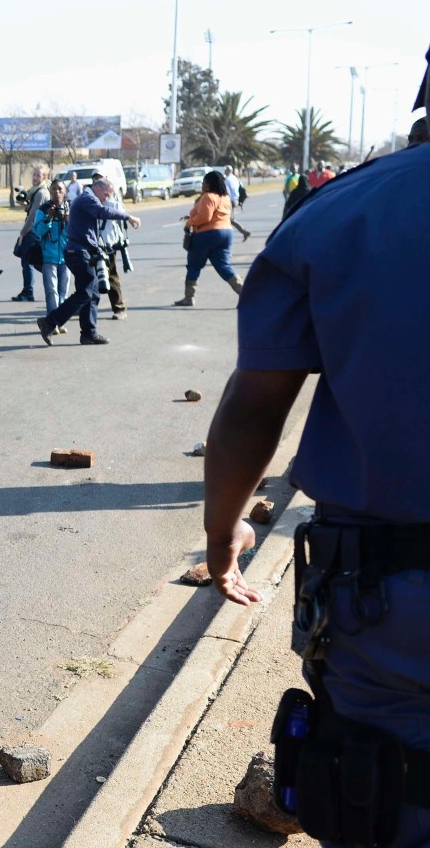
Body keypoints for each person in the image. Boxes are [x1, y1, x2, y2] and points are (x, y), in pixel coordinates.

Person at [202, 109, 430, 847]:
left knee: (389, 794)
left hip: (388, 601)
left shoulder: (342, 212)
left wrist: (222, 531)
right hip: (383, 593)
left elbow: (254, 405)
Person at [37, 175, 141, 346]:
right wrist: (128, 217)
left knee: (92, 293)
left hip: (83, 251)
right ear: (98, 188)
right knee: (86, 292)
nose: (107, 199)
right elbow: (103, 212)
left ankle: (88, 333)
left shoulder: (90, 199)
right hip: (77, 252)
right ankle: (49, 322)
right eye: (106, 195)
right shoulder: (87, 198)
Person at [173, 171, 241, 306]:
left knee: (194, 265)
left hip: (207, 234)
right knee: (223, 266)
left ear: (209, 184)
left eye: (204, 182)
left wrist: (189, 223)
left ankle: (189, 297)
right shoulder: (225, 197)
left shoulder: (208, 196)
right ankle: (245, 292)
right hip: (226, 233)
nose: (202, 185)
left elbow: (205, 217)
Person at [92, 173, 130, 321]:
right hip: (92, 242)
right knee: (88, 277)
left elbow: (116, 215)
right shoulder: (89, 197)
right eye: (95, 180)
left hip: (107, 243)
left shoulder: (111, 199)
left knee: (111, 275)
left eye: (99, 180)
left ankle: (119, 307)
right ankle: (85, 305)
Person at [33, 179, 71, 322]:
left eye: (60, 189)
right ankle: (52, 320)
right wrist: (49, 218)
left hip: (67, 256)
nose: (57, 192)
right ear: (50, 191)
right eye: (54, 189)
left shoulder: (70, 208)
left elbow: (76, 232)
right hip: (49, 256)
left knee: (63, 292)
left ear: (65, 191)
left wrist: (69, 221)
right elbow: (37, 231)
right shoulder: (43, 210)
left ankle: (60, 320)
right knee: (51, 290)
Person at [11, 165, 49, 302]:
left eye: (38, 175)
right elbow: (31, 209)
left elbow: (33, 216)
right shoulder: (36, 192)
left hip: (33, 231)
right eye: (34, 175)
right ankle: (30, 289)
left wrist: (22, 234)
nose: (35, 177)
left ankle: (28, 291)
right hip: (34, 230)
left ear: (44, 177)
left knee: (28, 261)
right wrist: (24, 203)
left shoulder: (40, 193)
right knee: (34, 261)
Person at [223, 165, 252, 242]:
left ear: (228, 170)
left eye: (225, 170)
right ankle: (243, 232)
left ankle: (243, 232)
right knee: (230, 219)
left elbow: (227, 192)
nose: (224, 171)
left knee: (229, 219)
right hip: (236, 199)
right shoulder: (234, 178)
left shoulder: (227, 180)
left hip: (231, 200)